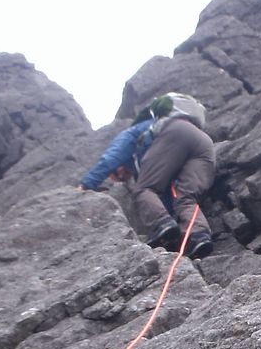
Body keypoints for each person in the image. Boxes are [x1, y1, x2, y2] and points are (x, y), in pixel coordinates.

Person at [80, 93, 216, 259]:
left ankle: (161, 224)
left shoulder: (135, 131)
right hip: (203, 142)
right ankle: (198, 236)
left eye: (116, 173)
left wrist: (85, 186)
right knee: (185, 197)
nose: (120, 177)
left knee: (144, 189)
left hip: (175, 131)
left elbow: (110, 158)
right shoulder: (159, 150)